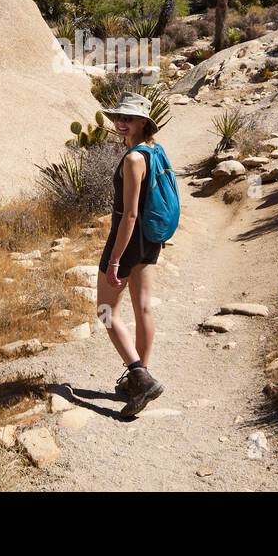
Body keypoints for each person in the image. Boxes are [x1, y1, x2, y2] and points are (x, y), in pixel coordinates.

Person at [97, 92, 165, 417]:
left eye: (128, 118)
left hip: (129, 239)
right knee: (143, 309)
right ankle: (141, 379)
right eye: (118, 118)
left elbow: (130, 214)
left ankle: (139, 375)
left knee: (105, 311)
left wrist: (114, 260)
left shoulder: (133, 159)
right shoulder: (155, 151)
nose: (121, 123)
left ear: (143, 123)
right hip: (151, 240)